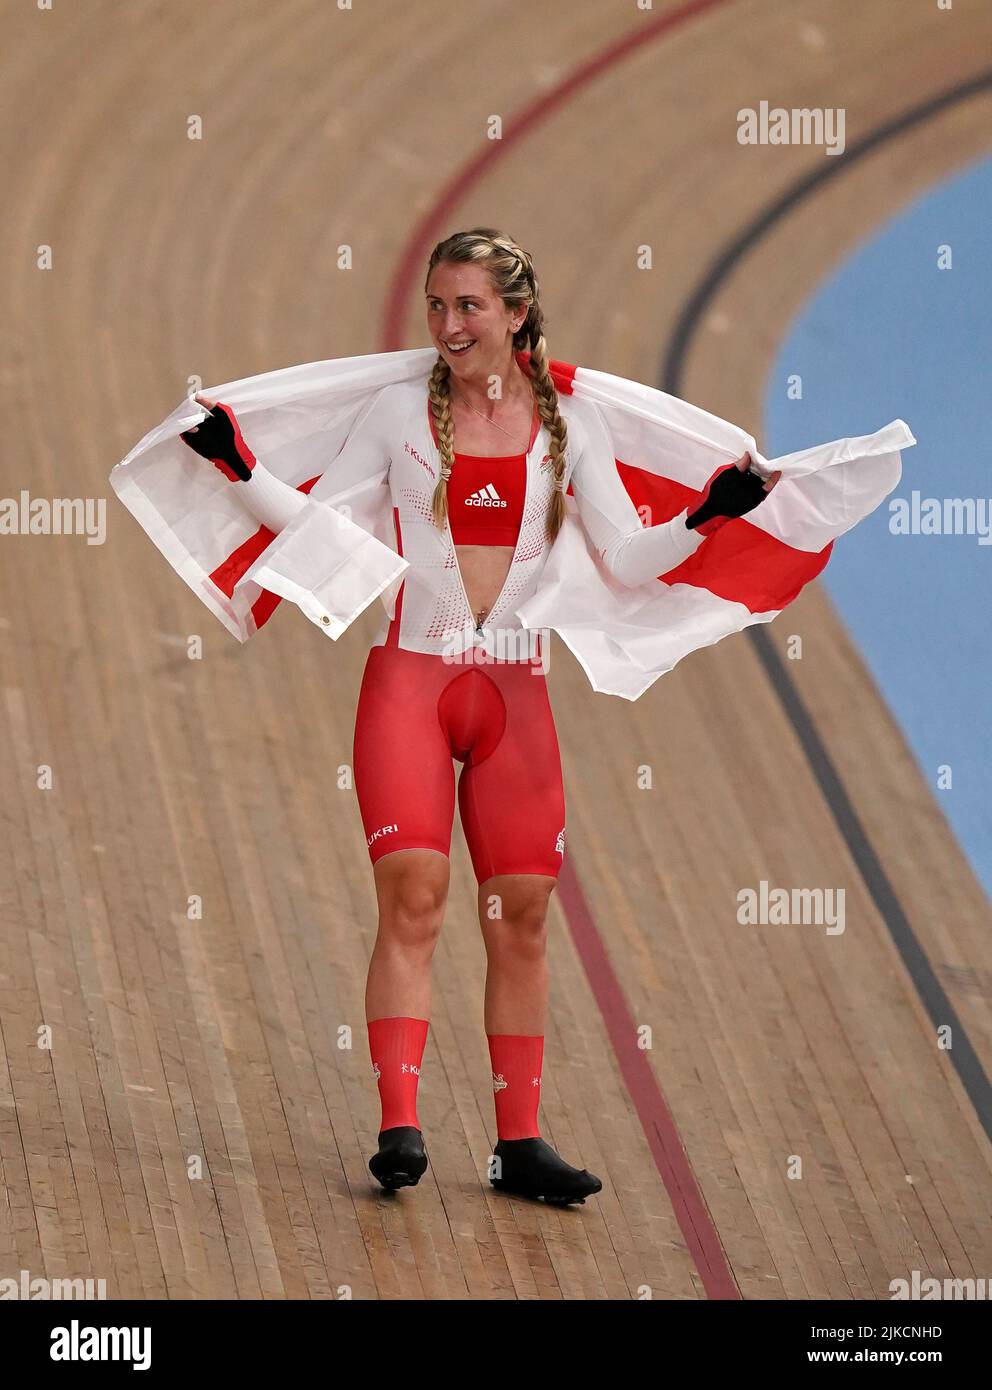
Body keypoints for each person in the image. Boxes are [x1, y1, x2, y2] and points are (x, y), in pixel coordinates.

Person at [179, 227, 778, 1204]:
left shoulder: (570, 427)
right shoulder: (394, 414)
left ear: (515, 314)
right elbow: (324, 527)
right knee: (413, 897)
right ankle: (400, 1125)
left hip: (515, 691)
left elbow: (625, 559)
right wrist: (235, 467)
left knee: (523, 917)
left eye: (467, 306)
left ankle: (518, 1144)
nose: (448, 325)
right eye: (436, 305)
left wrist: (710, 511)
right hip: (412, 683)